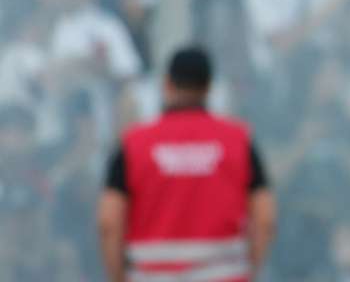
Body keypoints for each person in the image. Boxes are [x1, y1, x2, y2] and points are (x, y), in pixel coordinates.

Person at [96, 46, 276, 282]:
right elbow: (265, 218)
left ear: (167, 84)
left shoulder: (134, 145)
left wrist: (119, 277)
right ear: (208, 87)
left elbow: (109, 222)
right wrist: (247, 271)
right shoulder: (238, 141)